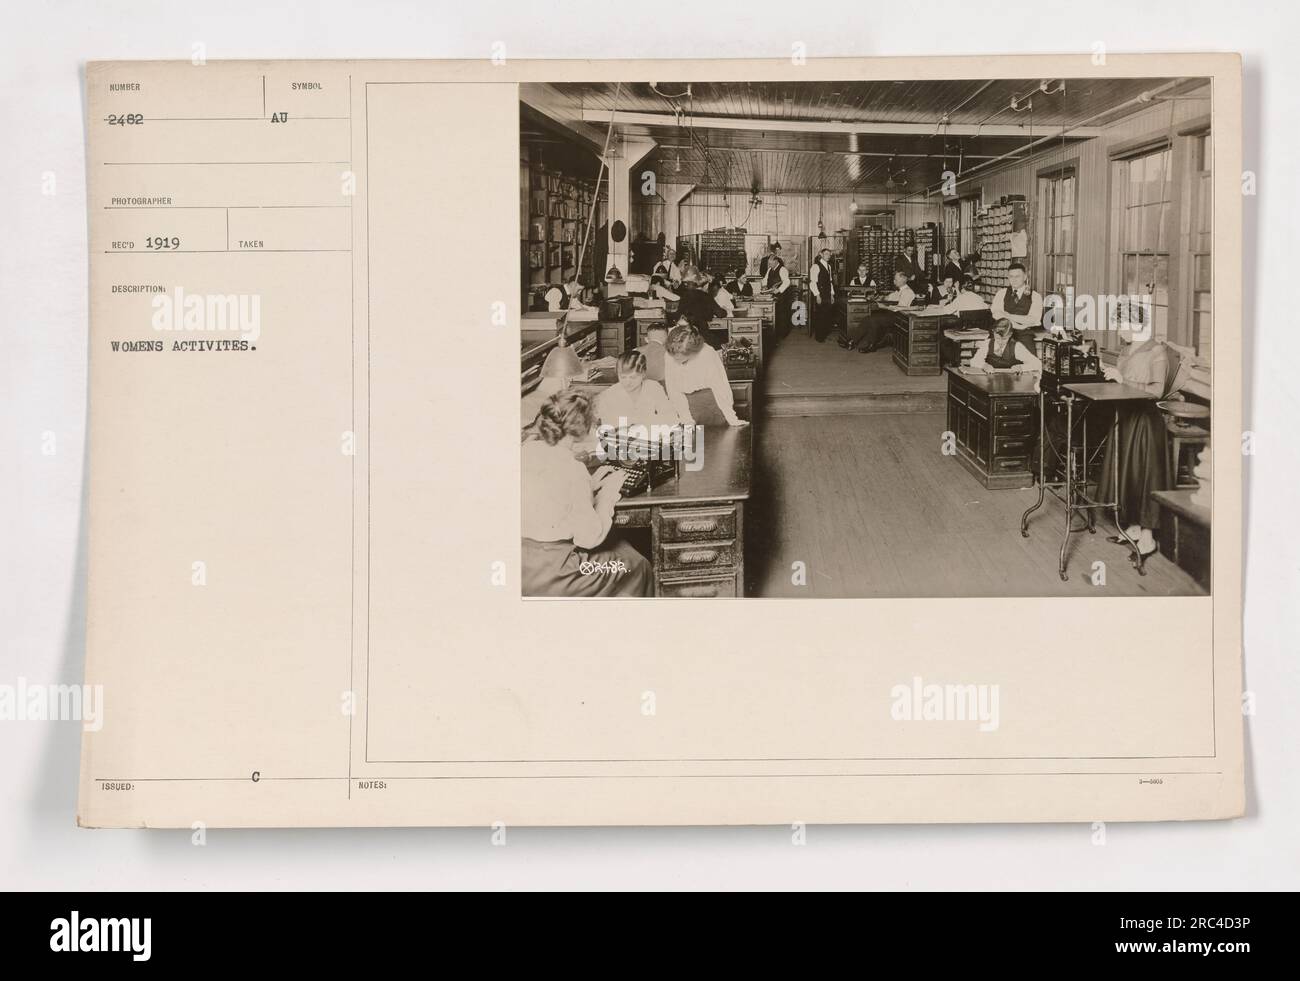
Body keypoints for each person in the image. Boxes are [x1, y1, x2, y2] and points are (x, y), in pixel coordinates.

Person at [520, 390, 652, 597]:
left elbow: (550, 495)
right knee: (637, 565)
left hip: (522, 565)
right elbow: (589, 538)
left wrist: (589, 485)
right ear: (582, 427)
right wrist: (607, 494)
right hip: (561, 571)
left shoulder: (525, 451)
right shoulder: (573, 467)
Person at [1096, 330, 1187, 558]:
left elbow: (1157, 391)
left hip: (1145, 422)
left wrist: (1121, 379)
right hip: (1126, 416)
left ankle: (1148, 537)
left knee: (1145, 475)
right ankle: (1134, 527)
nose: (1117, 331)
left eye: (1120, 325)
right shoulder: (1127, 348)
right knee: (1129, 474)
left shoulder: (1156, 351)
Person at [664, 323, 748, 427]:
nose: (675, 361)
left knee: (713, 439)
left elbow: (720, 388)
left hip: (711, 405)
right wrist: (686, 418)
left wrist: (732, 418)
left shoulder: (707, 353)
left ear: (693, 352)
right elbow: (673, 390)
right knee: (692, 441)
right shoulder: (669, 355)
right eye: (674, 357)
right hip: (682, 405)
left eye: (680, 358)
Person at [595, 349, 679, 430]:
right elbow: (605, 423)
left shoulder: (653, 387)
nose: (627, 382)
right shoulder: (610, 394)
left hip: (649, 437)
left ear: (643, 373)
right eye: (623, 377)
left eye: (633, 377)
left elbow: (671, 416)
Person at [847, 270, 915, 352]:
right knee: (868, 318)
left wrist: (884, 307)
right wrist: (878, 298)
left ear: (903, 280)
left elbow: (901, 308)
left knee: (873, 320)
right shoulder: (900, 290)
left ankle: (869, 345)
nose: (894, 281)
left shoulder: (908, 292)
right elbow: (889, 297)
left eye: (896, 280)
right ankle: (853, 341)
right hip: (893, 314)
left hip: (899, 318)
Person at [991, 262, 1043, 352]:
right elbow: (996, 314)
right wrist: (1019, 326)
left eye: (1017, 276)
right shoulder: (1001, 293)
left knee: (1030, 363)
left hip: (1024, 335)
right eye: (1011, 276)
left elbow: (1032, 319)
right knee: (996, 360)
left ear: (1025, 277)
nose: (1014, 280)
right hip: (1002, 333)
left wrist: (1008, 316)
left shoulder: (1035, 296)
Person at [967, 317, 1042, 373]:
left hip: (1012, 383)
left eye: (1004, 339)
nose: (1000, 342)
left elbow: (1037, 364)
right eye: (997, 338)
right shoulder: (987, 343)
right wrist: (984, 365)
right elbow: (974, 361)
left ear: (1010, 335)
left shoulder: (1017, 346)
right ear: (993, 332)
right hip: (990, 380)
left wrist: (1021, 367)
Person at [763, 251, 794, 340]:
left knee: (782, 314)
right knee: (774, 313)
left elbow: (787, 282)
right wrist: (764, 286)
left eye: (771, 263)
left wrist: (779, 290)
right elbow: (765, 279)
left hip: (782, 296)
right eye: (769, 263)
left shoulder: (782, 269)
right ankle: (775, 333)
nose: (769, 265)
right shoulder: (769, 270)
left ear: (776, 261)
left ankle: (783, 334)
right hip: (772, 295)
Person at [808, 246, 837, 342]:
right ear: (821, 255)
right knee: (820, 315)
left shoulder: (829, 266)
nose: (828, 256)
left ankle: (824, 334)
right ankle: (819, 337)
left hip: (827, 294)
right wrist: (817, 295)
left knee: (827, 315)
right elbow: (812, 282)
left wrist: (832, 294)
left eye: (829, 254)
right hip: (820, 294)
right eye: (826, 254)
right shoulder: (815, 266)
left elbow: (830, 282)